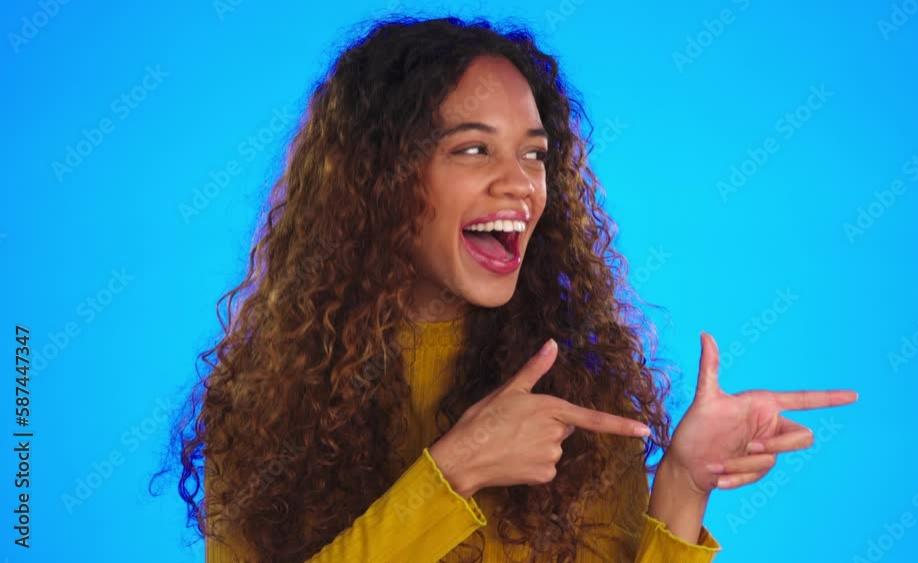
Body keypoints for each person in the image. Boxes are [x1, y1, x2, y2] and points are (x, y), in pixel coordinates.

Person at [167, 15, 858, 563]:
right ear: (376, 181)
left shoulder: (578, 397)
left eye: (534, 153)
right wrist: (451, 474)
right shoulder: (265, 406)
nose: (521, 184)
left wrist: (681, 485)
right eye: (473, 148)